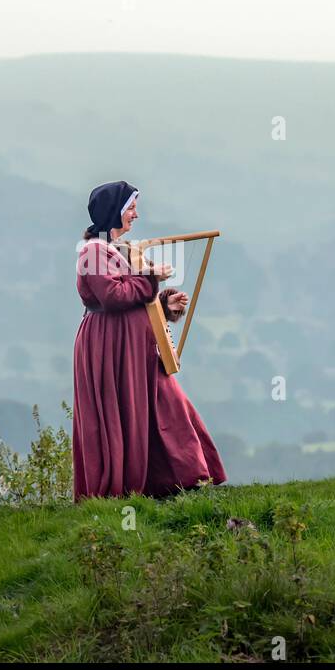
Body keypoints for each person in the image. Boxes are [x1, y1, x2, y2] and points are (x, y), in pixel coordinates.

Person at [71, 181, 227, 500]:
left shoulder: (120, 249)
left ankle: (184, 479)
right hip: (109, 348)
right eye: (130, 208)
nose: (135, 215)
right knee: (124, 412)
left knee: (164, 404)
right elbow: (113, 296)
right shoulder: (93, 251)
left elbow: (135, 298)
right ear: (112, 212)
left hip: (134, 347)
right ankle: (129, 487)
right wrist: (152, 279)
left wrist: (166, 305)